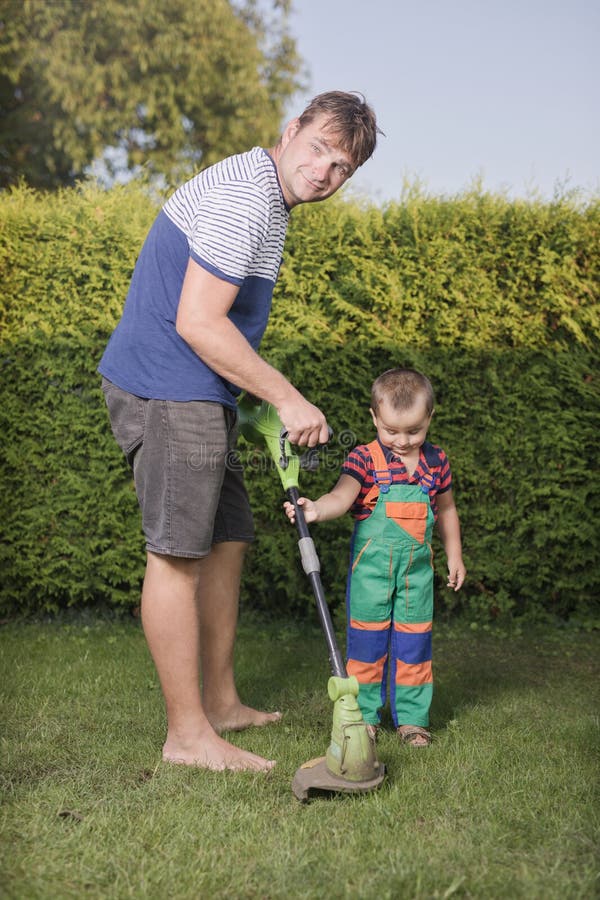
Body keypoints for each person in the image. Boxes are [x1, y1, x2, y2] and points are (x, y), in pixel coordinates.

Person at [98, 91, 381, 772]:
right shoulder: (246, 197)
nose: (324, 171)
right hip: (167, 385)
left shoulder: (270, 200)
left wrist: (250, 399)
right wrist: (285, 397)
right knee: (177, 555)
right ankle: (187, 736)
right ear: (291, 131)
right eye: (319, 148)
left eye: (341, 167)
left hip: (200, 389)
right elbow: (198, 321)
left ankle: (221, 703)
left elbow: (217, 321)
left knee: (228, 539)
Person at [284, 368, 466, 746]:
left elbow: (447, 509)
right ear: (374, 418)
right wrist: (316, 509)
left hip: (416, 576)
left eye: (414, 431)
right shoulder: (364, 459)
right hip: (372, 573)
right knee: (367, 644)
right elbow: (341, 496)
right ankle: (364, 715)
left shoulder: (436, 461)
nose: (402, 441)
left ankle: (412, 720)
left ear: (430, 417)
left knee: (415, 645)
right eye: (391, 430)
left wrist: (455, 555)